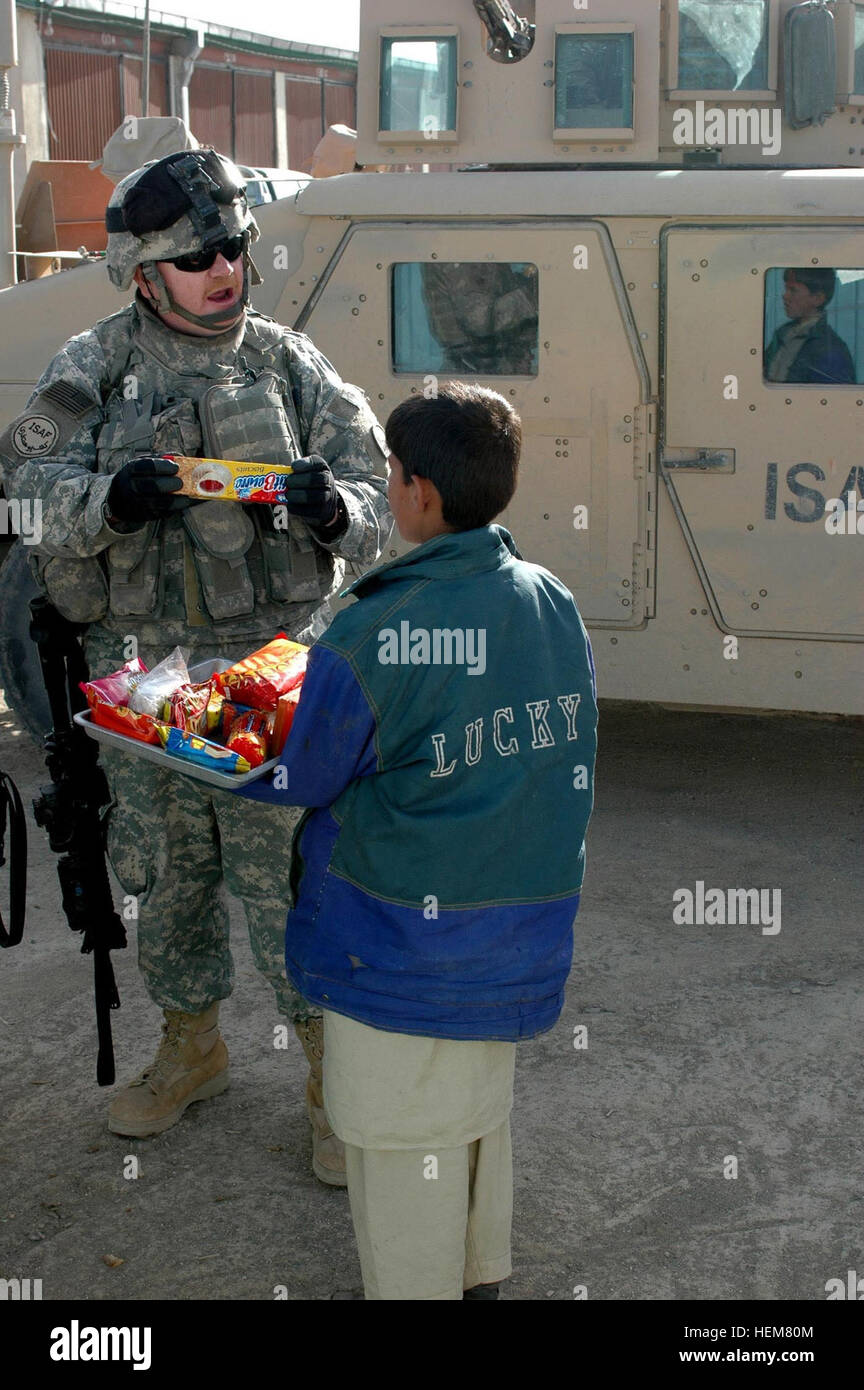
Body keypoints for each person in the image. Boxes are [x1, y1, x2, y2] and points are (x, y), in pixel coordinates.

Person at [0, 147, 392, 1182]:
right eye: (196, 255)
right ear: (142, 272)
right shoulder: (86, 369)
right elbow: (21, 481)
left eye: (232, 247)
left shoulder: (289, 365)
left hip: (268, 679)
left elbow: (377, 486)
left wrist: (337, 510)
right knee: (166, 879)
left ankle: (328, 1079)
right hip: (140, 686)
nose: (223, 266)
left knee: (290, 886)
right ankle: (193, 1046)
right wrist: (104, 502)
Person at [236, 382, 598, 1299]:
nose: (387, 491)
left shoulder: (376, 626)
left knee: (398, 1141)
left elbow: (312, 774)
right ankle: (480, 1267)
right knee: (476, 1113)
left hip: (395, 939)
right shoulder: (550, 599)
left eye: (391, 475)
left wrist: (211, 754)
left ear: (419, 491)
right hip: (512, 931)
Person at [764, 268, 856, 385]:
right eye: (786, 289)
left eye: (793, 290)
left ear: (817, 299)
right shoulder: (783, 333)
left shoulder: (830, 348)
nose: (785, 296)